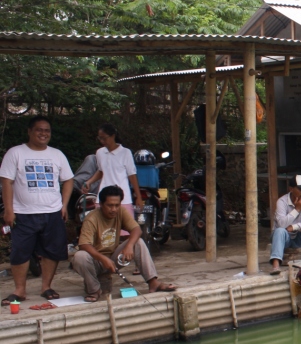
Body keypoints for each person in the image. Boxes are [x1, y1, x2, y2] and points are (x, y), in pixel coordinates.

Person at [1, 116, 75, 305]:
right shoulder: (15, 153)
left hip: (52, 212)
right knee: (20, 251)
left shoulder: (57, 154)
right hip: (23, 212)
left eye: (47, 130)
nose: (43, 133)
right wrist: (9, 210)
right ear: (30, 131)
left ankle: (46, 287)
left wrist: (64, 205)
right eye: (39, 130)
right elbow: (7, 182)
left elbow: (68, 180)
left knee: (52, 251)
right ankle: (20, 290)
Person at [72, 186, 176, 301]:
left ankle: (153, 282)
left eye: (117, 205)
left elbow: (137, 230)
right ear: (101, 204)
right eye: (110, 205)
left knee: (138, 242)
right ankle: (94, 290)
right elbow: (84, 245)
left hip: (114, 258)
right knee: (79, 256)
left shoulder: (120, 212)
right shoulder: (91, 218)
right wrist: (102, 258)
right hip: (95, 261)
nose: (114, 209)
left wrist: (129, 246)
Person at [82, 124, 143, 220]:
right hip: (103, 197)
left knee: (125, 230)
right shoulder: (100, 152)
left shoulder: (125, 153)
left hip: (123, 199)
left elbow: (132, 175)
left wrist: (138, 197)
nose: (102, 141)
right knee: (103, 229)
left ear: (113, 136)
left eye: (104, 138)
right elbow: (101, 171)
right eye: (100, 138)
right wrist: (89, 182)